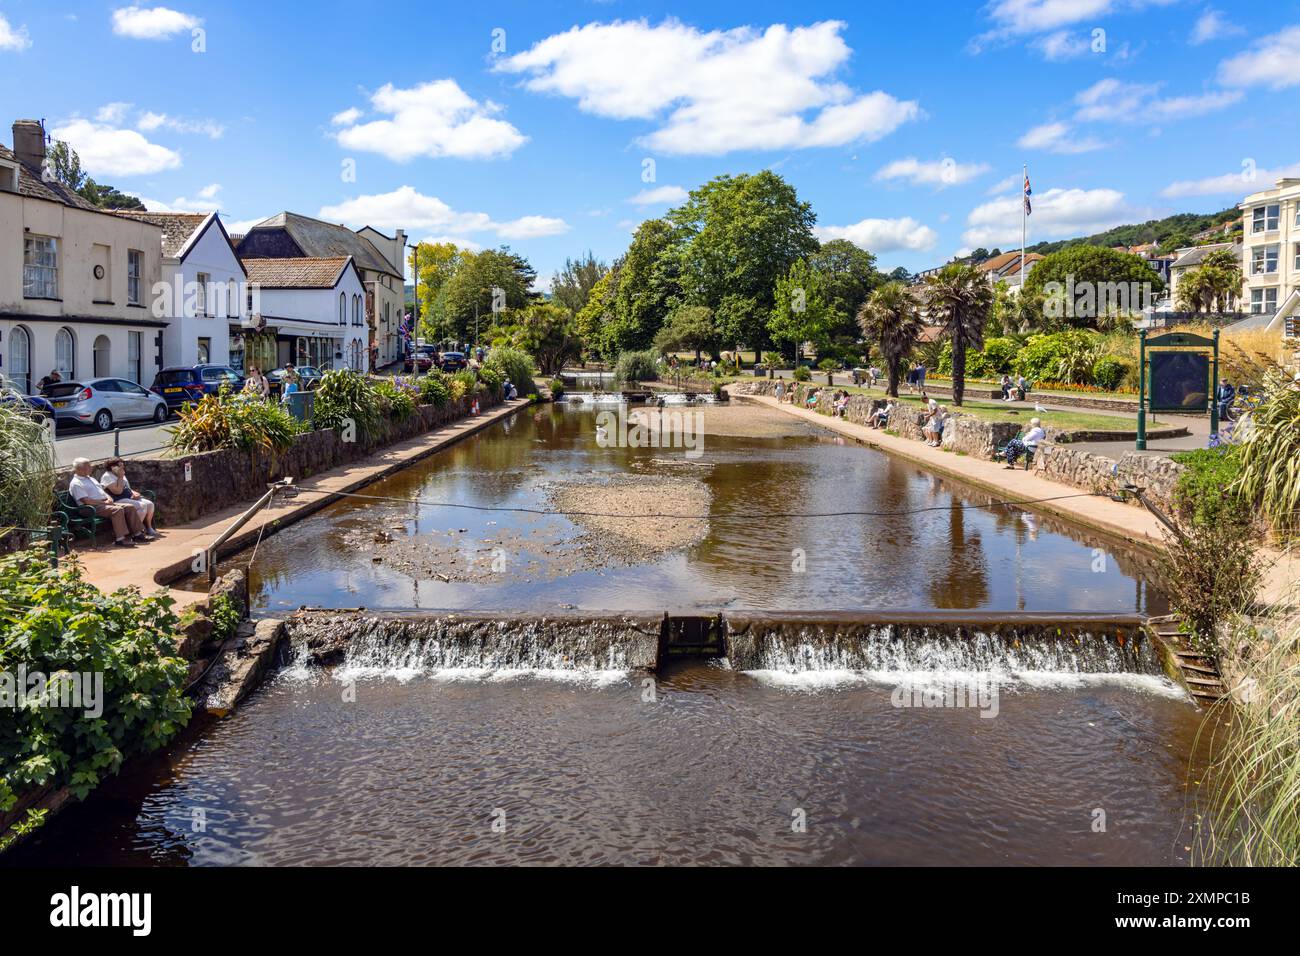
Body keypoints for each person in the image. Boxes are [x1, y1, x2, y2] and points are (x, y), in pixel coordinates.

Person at [68, 458, 147, 547]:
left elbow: (102, 491)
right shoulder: (76, 483)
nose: (91, 468)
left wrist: (109, 498)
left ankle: (137, 534)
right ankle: (120, 539)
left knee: (129, 507)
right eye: (88, 466)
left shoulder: (90, 478)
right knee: (117, 510)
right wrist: (105, 503)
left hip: (102, 504)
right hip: (89, 508)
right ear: (79, 469)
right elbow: (86, 500)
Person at [100, 457, 157, 538]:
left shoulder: (120, 473)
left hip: (128, 497)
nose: (122, 467)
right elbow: (118, 491)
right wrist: (120, 477)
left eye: (123, 465)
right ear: (113, 467)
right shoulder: (107, 476)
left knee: (150, 504)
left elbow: (127, 487)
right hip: (118, 499)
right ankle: (135, 531)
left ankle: (148, 527)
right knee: (142, 506)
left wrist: (134, 493)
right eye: (120, 466)